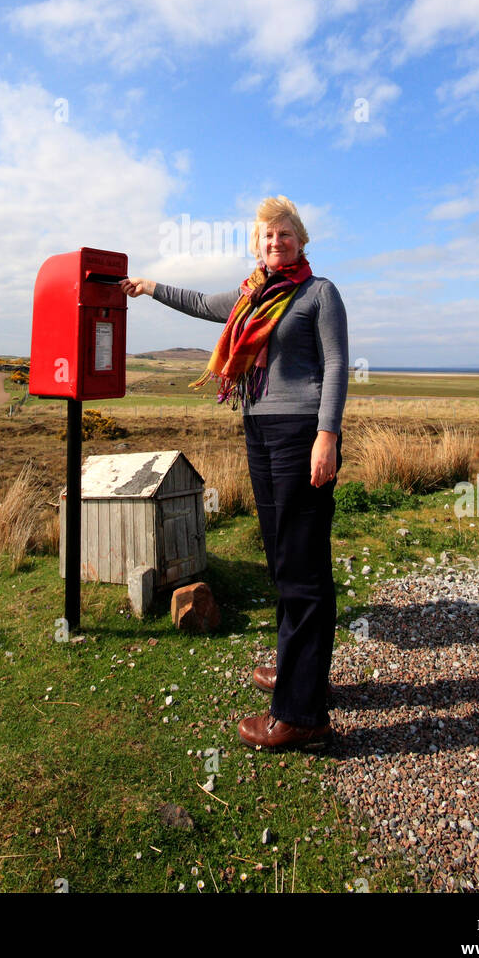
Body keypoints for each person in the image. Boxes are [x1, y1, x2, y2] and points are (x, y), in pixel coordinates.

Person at [120, 195, 349, 751]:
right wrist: (149, 287)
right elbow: (199, 302)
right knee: (280, 557)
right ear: (258, 245)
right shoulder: (250, 297)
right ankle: (299, 672)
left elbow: (338, 364)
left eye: (286, 235)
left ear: (302, 241)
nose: (277, 244)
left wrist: (327, 435)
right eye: (268, 237)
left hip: (300, 435)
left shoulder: (319, 294)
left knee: (302, 567)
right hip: (259, 431)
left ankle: (300, 715)